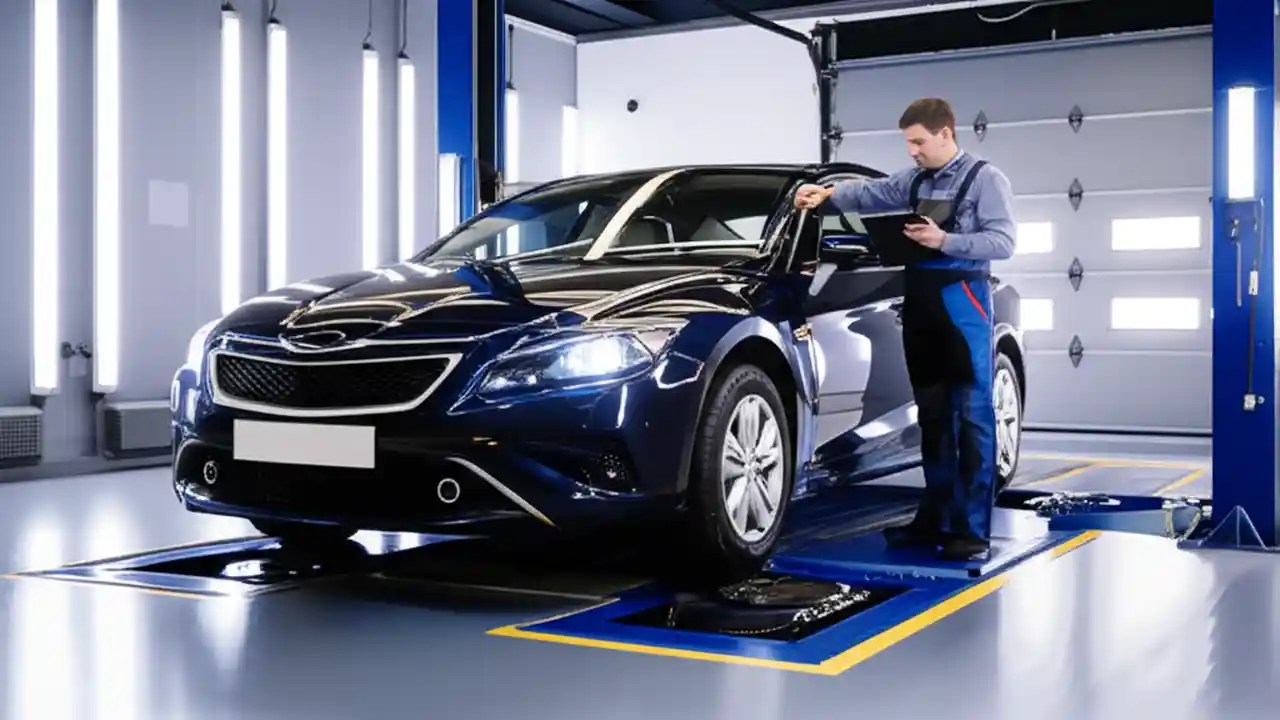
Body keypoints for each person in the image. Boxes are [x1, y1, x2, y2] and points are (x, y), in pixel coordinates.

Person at [795, 97, 1016, 561]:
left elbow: (1003, 241)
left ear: (945, 133)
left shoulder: (985, 178)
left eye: (919, 142)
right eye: (908, 144)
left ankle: (971, 530)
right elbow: (869, 194)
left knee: (972, 414)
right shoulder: (914, 180)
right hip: (920, 302)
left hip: (963, 300)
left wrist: (943, 239)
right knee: (932, 415)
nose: (912, 151)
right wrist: (827, 194)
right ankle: (935, 518)